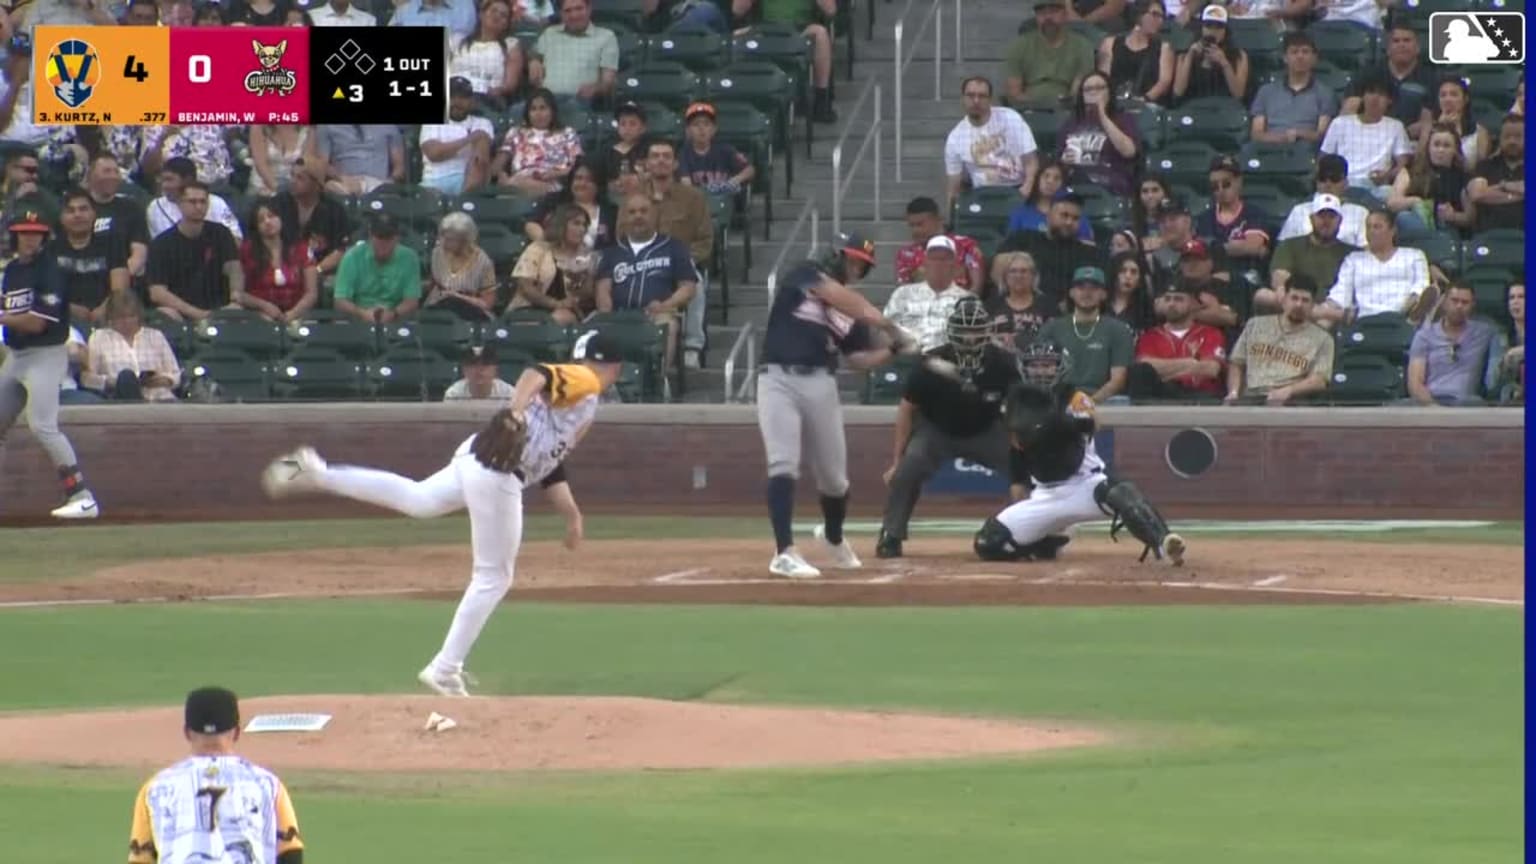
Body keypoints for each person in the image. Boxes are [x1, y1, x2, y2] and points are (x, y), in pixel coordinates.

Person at [263, 330, 624, 697]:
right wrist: (515, 410)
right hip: (499, 474)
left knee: (420, 500)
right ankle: (445, 668)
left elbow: (550, 467)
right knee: (493, 576)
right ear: (618, 367)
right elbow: (537, 373)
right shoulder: (589, 381)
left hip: (478, 458)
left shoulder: (582, 403)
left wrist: (572, 515)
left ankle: (316, 472)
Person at [756, 232, 916, 579]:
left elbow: (858, 359)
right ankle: (783, 551)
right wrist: (891, 327)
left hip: (820, 383)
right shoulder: (805, 274)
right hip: (777, 379)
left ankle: (832, 537)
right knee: (782, 463)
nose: (855, 268)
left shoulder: (851, 315)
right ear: (838, 254)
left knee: (835, 480)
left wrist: (893, 351)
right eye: (853, 259)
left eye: (863, 265)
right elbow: (838, 295)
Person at [973, 342, 1185, 564]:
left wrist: (1051, 422)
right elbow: (1017, 456)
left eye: (1048, 365)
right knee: (989, 544)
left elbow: (1091, 424)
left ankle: (1163, 542)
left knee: (1122, 491)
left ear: (1060, 368)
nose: (1042, 371)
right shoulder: (1016, 403)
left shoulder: (1074, 397)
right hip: (1045, 494)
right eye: (1036, 365)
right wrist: (1021, 502)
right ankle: (1045, 541)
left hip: (1086, 485)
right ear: (1024, 368)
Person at [876, 298, 1017, 559]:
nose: (971, 337)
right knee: (907, 470)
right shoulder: (931, 364)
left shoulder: (1003, 364)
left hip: (986, 429)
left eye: (976, 330)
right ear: (952, 330)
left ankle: (1023, 532)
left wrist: (1018, 443)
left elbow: (1017, 405)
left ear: (987, 331)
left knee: (1024, 470)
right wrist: (897, 460)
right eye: (965, 330)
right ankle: (891, 533)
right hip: (936, 430)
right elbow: (906, 409)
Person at [128, 687, 304, 864]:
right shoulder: (268, 784)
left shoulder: (155, 788)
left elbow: (140, 858)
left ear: (187, 733)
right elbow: (290, 852)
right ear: (236, 732)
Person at [0, 210, 98, 519]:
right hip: (16, 357)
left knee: (43, 426)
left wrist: (3, 318)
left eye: (35, 233)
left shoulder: (50, 269)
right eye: (24, 232)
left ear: (44, 236)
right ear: (15, 235)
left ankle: (82, 497)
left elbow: (36, 324)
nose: (29, 238)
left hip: (46, 355)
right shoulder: (13, 270)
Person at [1225, 274, 1334, 405]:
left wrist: (1289, 391)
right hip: (1251, 398)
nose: (1299, 305)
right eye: (1294, 298)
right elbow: (1237, 362)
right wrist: (1233, 392)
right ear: (1284, 300)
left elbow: (1319, 380)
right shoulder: (1255, 325)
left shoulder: (1323, 339)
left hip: (1291, 402)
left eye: (1305, 300)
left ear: (1312, 305)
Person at [1058, 71, 1140, 196]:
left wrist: (1102, 113)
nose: (1094, 92)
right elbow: (1059, 162)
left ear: (1109, 91)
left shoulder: (1123, 119)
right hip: (1077, 185)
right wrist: (1065, 163)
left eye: (1100, 88)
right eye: (1088, 89)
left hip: (1111, 185)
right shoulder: (1071, 123)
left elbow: (1129, 151)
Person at [1097, 0, 1174, 105]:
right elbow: (1103, 78)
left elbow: (1164, 83)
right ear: (1139, 14)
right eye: (1155, 14)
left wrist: (1142, 100)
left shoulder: (1164, 48)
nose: (1159, 21)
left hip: (1147, 106)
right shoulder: (1110, 44)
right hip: (1114, 103)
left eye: (1162, 17)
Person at [1172, 4, 1248, 104]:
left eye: (1218, 27)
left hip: (1225, 110)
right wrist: (1190, 57)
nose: (1213, 31)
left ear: (1225, 31)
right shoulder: (1185, 55)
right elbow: (1178, 92)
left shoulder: (1239, 56)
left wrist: (1224, 63)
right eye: (1208, 26)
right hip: (1193, 108)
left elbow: (1238, 94)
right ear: (1201, 28)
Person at [444, 344, 515, 401]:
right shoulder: (454, 395)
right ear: (464, 370)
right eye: (472, 364)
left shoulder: (508, 393)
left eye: (485, 364)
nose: (479, 369)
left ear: (495, 369)